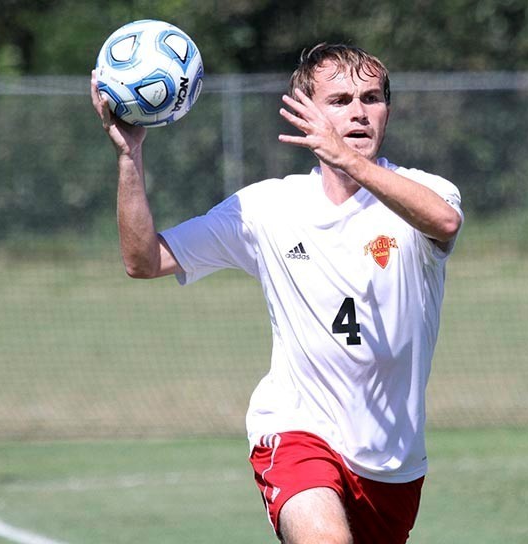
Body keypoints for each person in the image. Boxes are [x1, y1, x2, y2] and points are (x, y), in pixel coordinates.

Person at [91, 43, 462, 544]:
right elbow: (145, 260)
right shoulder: (267, 208)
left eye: (371, 98)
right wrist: (130, 158)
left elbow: (444, 222)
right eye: (339, 100)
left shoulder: (423, 191)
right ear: (304, 110)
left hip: (392, 463)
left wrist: (350, 163)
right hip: (296, 430)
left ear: (387, 111)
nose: (357, 111)